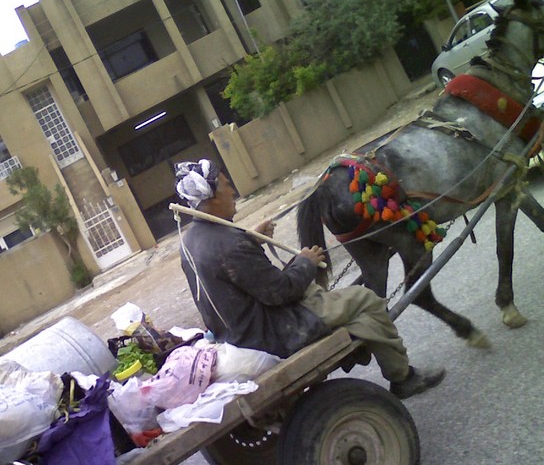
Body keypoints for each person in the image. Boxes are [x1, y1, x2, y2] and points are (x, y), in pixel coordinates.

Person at [174, 159, 445, 399]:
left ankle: (376, 351)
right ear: (211, 198)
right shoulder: (230, 243)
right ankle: (403, 379)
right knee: (367, 300)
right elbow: (282, 291)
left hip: (237, 332)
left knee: (334, 298)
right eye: (224, 185)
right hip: (271, 332)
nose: (232, 190)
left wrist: (251, 238)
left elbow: (229, 272)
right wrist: (306, 262)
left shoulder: (190, 242)